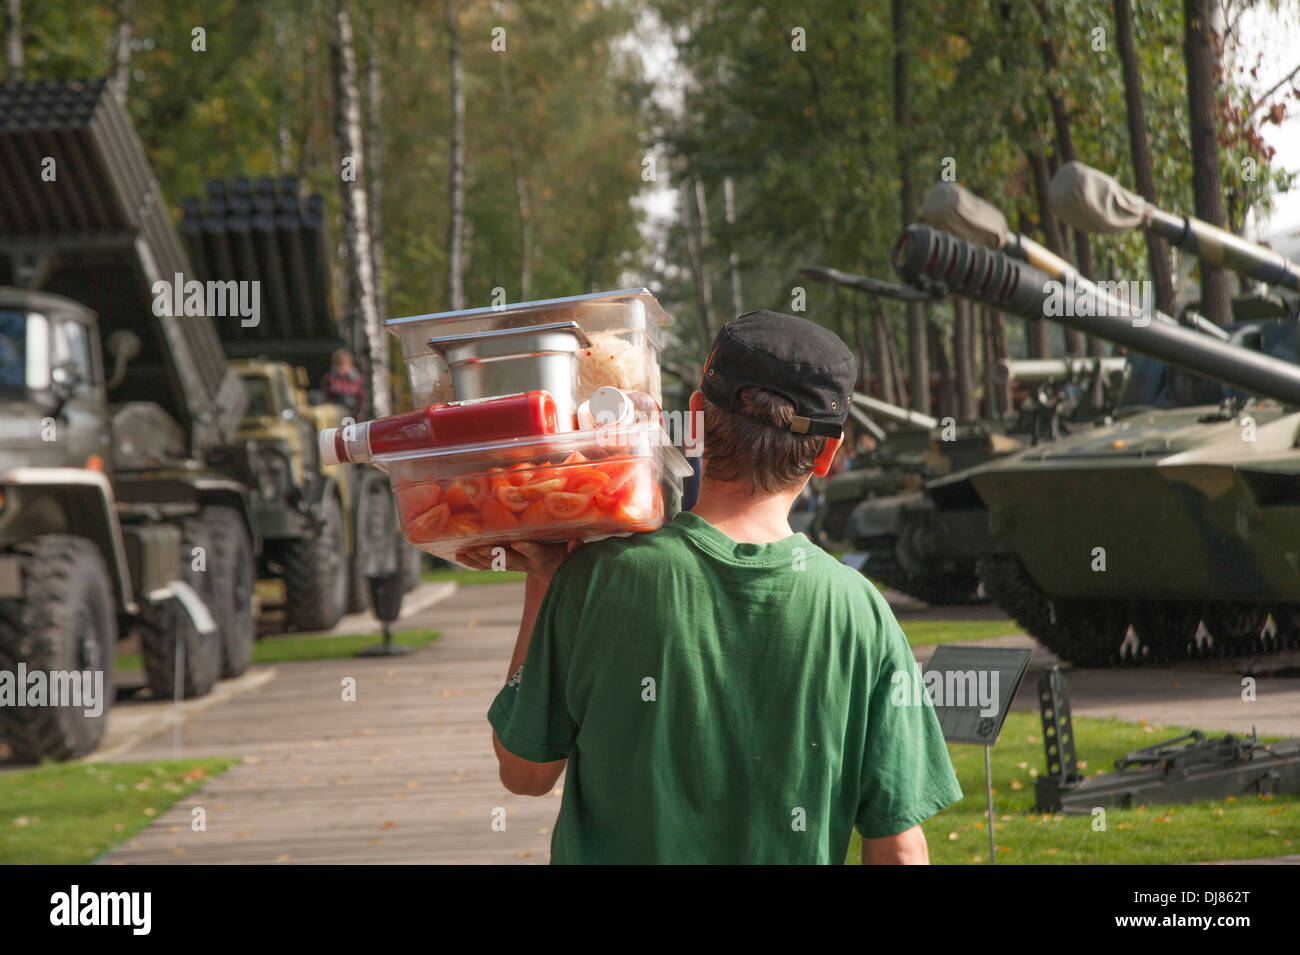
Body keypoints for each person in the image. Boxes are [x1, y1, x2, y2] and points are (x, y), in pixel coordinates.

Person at [459, 310, 961, 864]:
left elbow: (524, 772)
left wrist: (544, 581)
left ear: (696, 416)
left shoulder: (597, 580)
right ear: (826, 455)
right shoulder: (861, 613)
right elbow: (901, 852)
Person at [321, 348, 365, 419]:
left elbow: (361, 397)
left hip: (351, 410)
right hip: (336, 407)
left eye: (342, 366)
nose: (339, 369)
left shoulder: (356, 378)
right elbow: (327, 394)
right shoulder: (330, 378)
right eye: (336, 366)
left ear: (350, 365)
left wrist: (360, 411)